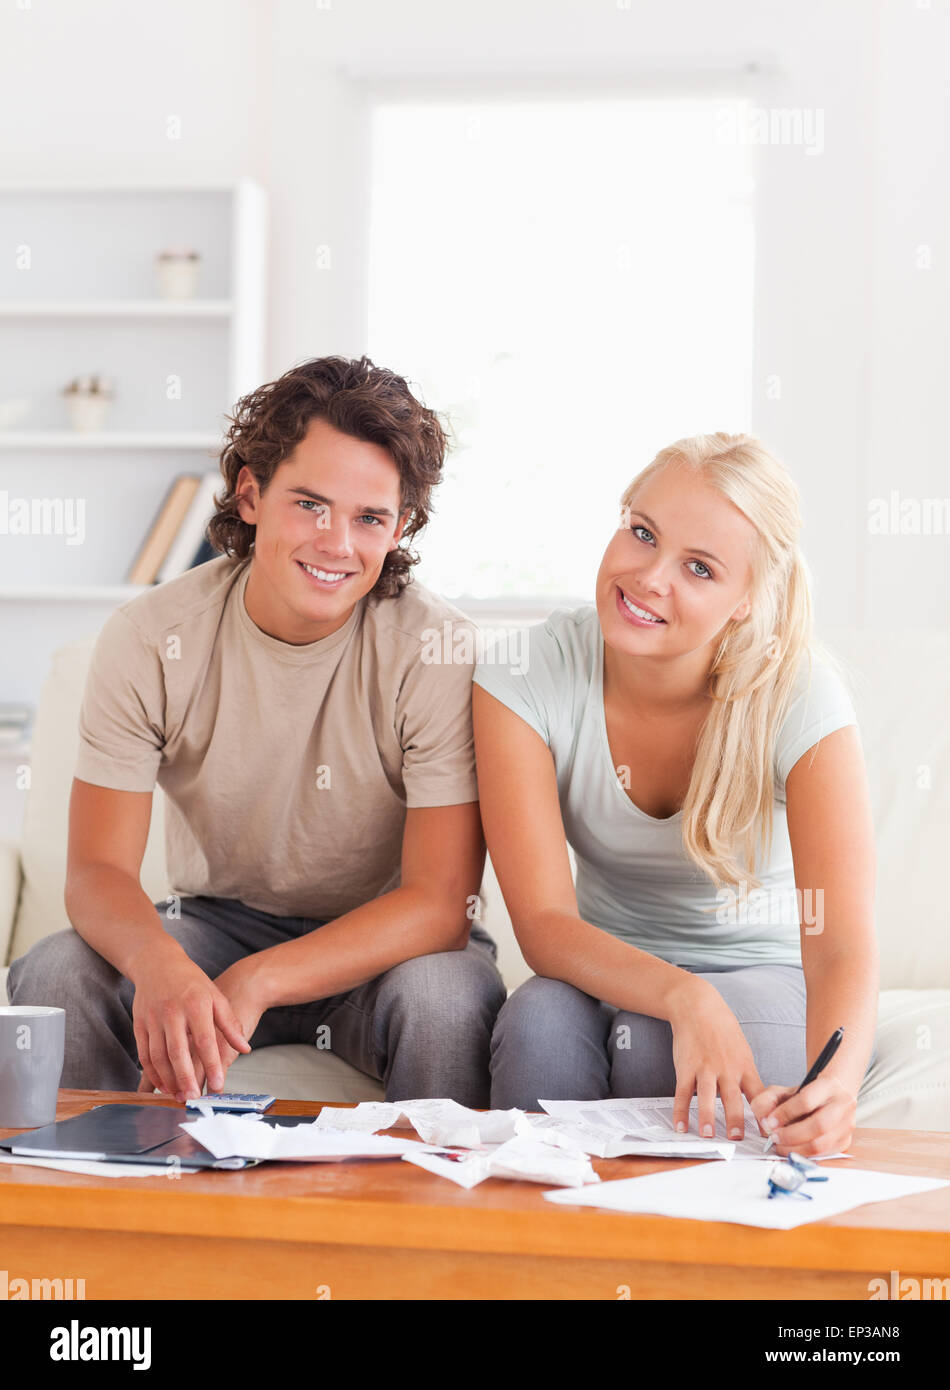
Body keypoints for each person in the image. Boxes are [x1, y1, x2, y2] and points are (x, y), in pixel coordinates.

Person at [8, 355, 506, 1106]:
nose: (337, 543)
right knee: (56, 972)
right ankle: (106, 1208)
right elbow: (98, 872)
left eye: (370, 518)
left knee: (446, 1001)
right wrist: (162, 966)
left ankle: (427, 1226)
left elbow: (438, 903)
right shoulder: (150, 637)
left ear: (400, 526)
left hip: (386, 947)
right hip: (215, 925)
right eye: (311, 504)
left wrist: (261, 980)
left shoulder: (438, 651)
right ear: (251, 493)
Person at [472, 432, 878, 1157]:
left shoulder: (802, 695)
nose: (650, 577)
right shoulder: (526, 670)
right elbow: (541, 923)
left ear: (747, 602)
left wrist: (838, 1087)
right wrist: (685, 995)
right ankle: (539, 1263)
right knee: (537, 1030)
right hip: (602, 965)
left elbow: (842, 942)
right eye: (642, 533)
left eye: (699, 568)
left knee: (650, 1050)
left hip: (763, 972)